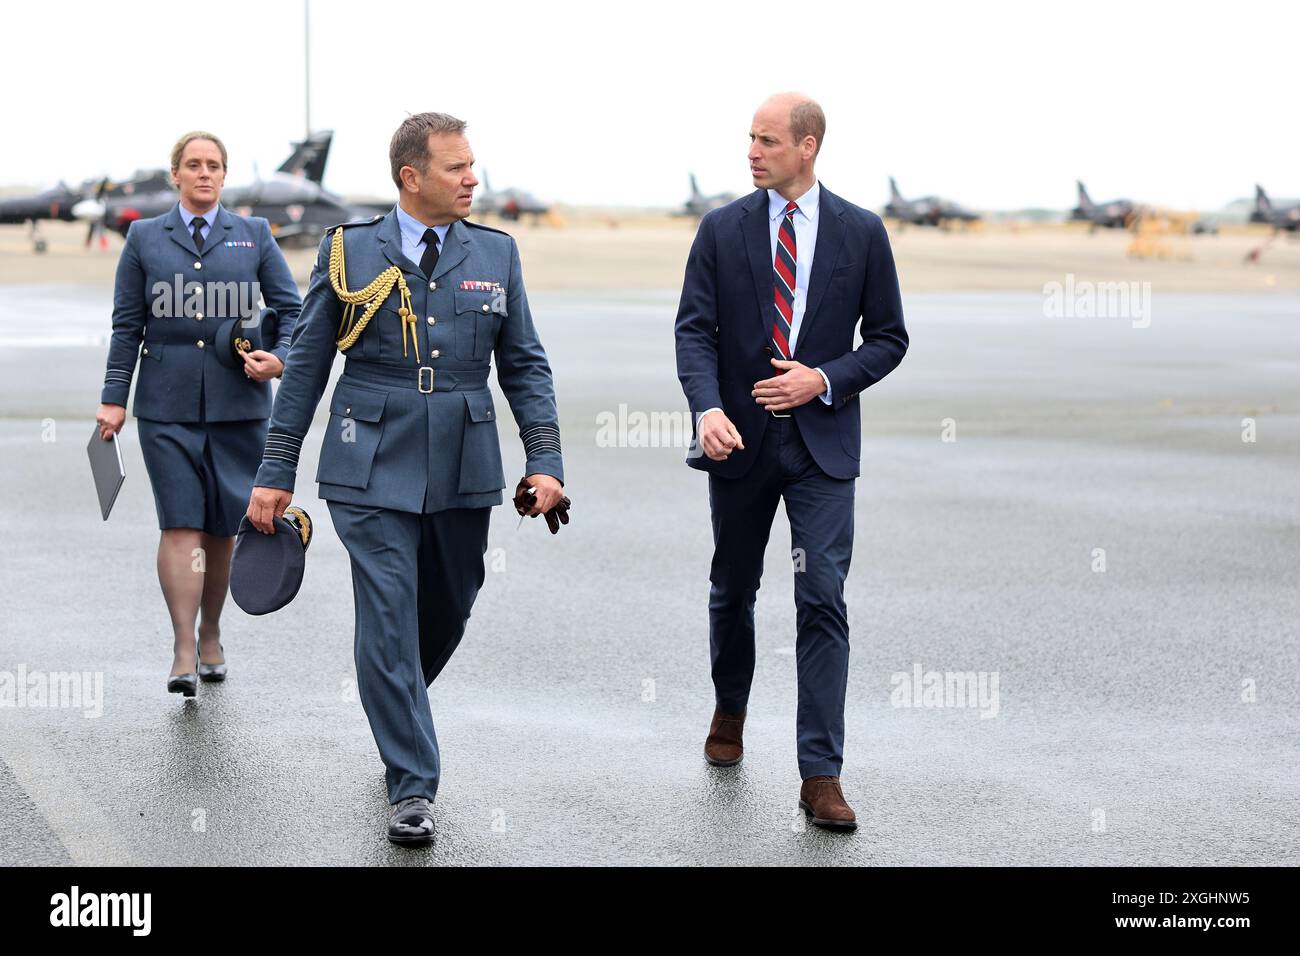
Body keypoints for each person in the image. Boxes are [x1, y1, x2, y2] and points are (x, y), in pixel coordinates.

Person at [245, 112, 566, 845]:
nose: (472, 178)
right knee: (388, 609)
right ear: (410, 177)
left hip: (464, 460)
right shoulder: (348, 250)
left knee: (450, 606)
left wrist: (544, 461)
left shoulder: (496, 252)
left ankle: (391, 698)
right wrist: (275, 470)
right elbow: (305, 369)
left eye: (472, 165)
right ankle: (412, 787)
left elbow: (525, 365)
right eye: (456, 167)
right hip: (369, 457)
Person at [674, 93, 909, 831]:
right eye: (749, 138)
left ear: (807, 147)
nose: (751, 151)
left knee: (822, 600)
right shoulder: (721, 228)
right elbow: (694, 332)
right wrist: (707, 409)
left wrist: (825, 378)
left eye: (767, 140)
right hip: (740, 441)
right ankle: (731, 708)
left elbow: (890, 338)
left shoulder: (862, 233)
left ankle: (821, 775)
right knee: (733, 587)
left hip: (822, 447)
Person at [95, 130, 302, 698]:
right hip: (165, 408)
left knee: (222, 528)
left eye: (214, 165)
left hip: (239, 408)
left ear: (224, 175)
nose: (205, 173)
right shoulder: (143, 238)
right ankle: (184, 646)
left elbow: (292, 309)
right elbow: (126, 325)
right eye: (194, 164)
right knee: (181, 522)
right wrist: (115, 397)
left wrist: (278, 359)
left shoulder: (254, 235)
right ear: (176, 175)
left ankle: (212, 632)